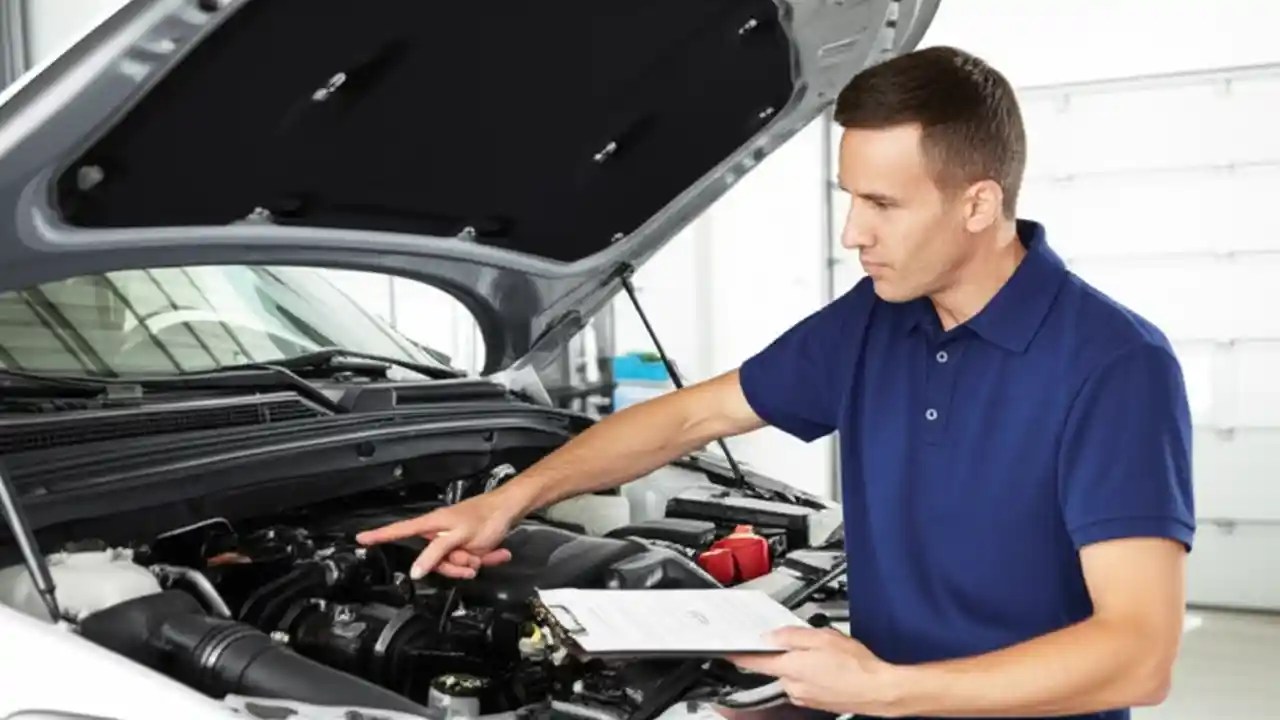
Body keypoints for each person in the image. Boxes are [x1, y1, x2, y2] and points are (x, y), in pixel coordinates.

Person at [356, 46, 1194, 720]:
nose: (853, 233)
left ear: (978, 205)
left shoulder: (1114, 366)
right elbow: (688, 420)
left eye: (883, 204)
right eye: (847, 197)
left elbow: (1137, 655)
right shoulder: (873, 318)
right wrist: (512, 498)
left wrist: (884, 690)